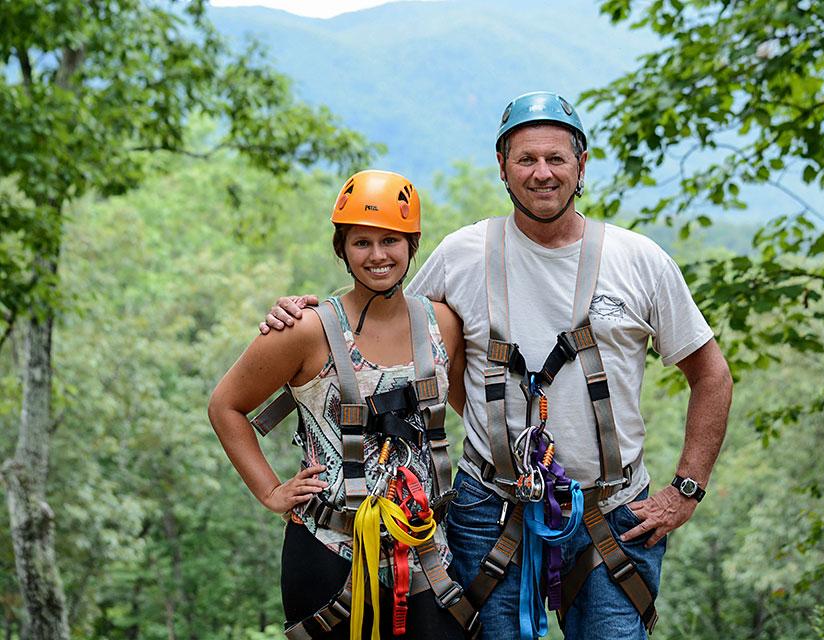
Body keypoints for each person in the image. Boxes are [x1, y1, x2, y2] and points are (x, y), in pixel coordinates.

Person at [261, 92, 733, 640]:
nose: (542, 173)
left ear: (581, 166)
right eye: (526, 159)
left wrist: (686, 490)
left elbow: (711, 375)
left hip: (615, 507)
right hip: (490, 506)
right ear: (502, 168)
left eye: (556, 159)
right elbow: (389, 324)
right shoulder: (464, 255)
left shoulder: (637, 261)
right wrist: (305, 316)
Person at [208, 170, 479, 640]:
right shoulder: (305, 330)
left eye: (390, 241)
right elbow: (226, 406)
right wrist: (271, 492)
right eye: (361, 243)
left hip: (428, 551)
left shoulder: (443, 325)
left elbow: (470, 411)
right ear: (342, 249)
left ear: (412, 244)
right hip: (327, 551)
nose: (377, 256)